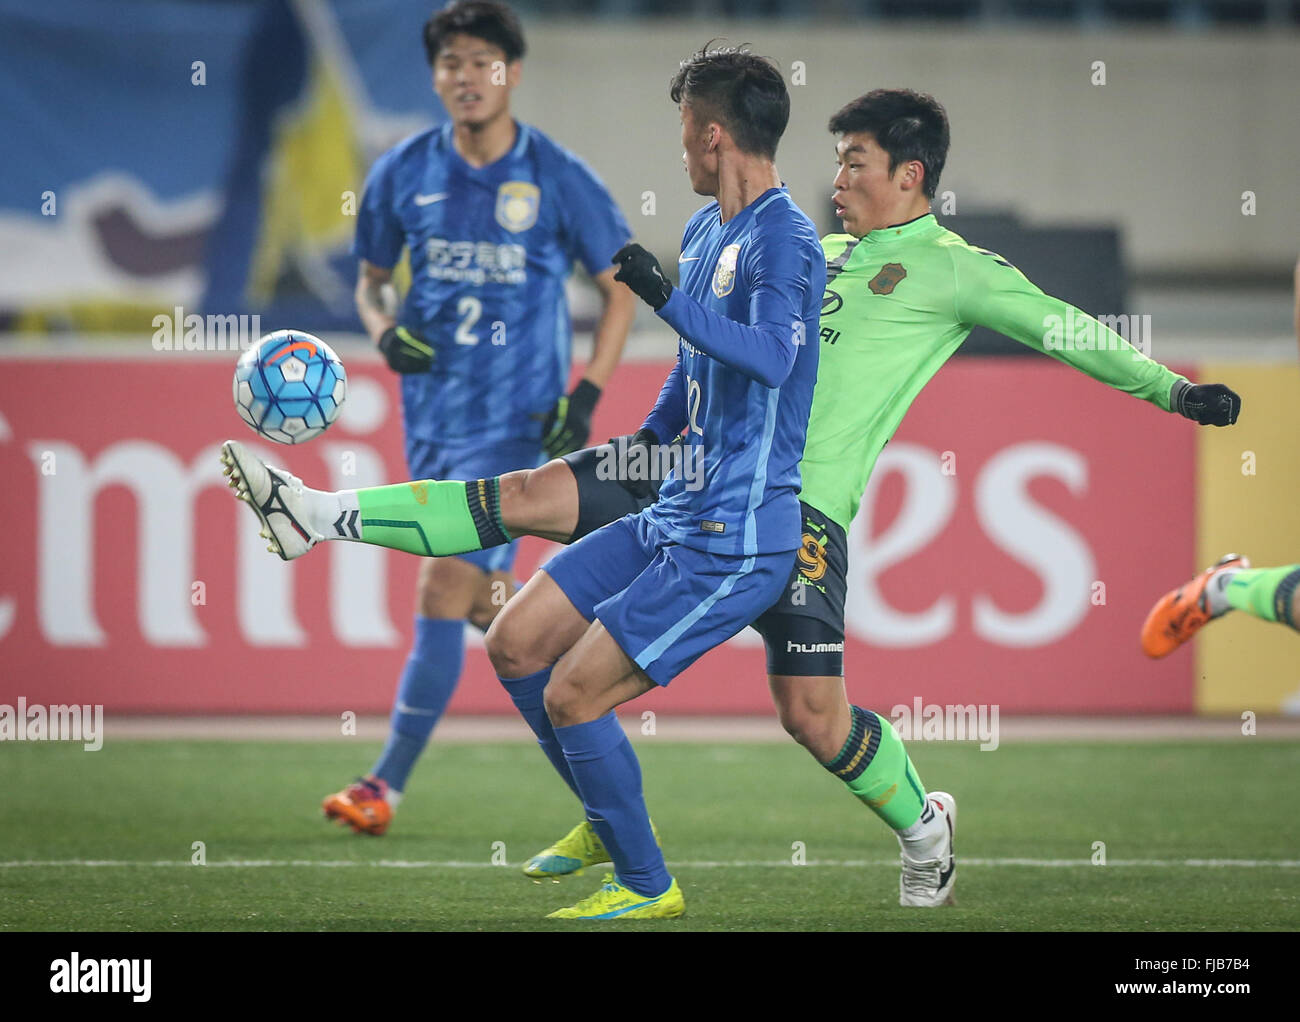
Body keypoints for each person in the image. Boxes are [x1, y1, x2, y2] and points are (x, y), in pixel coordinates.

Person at [221, 88, 1240, 917]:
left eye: (855, 162)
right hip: (688, 475)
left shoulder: (954, 273)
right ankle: (319, 518)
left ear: (909, 176)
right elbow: (715, 357)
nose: (836, 178)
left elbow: (1068, 330)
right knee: (525, 562)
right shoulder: (803, 251)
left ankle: (923, 826)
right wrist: (650, 433)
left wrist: (1176, 390)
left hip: (796, 513)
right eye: (834, 158)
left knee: (811, 715)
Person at [321, 0, 634, 835]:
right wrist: (384, 331)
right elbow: (369, 280)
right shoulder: (400, 173)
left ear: (512, 73)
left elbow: (619, 288)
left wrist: (590, 392)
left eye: (481, 62)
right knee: (492, 611)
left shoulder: (557, 176)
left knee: (441, 583)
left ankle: (382, 784)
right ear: (435, 77)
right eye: (451, 63)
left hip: (518, 429)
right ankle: (597, 748)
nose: (465, 77)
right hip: (433, 418)